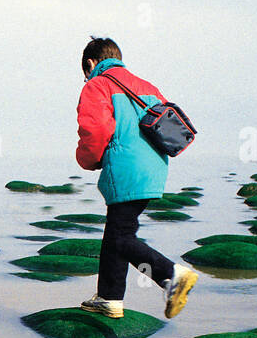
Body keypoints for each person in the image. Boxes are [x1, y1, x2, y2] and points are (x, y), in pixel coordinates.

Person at [74, 37, 197, 319]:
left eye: (85, 73)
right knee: (117, 232)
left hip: (126, 166)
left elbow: (96, 130)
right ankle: (109, 298)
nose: (86, 79)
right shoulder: (148, 86)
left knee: (120, 238)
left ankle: (171, 276)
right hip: (154, 166)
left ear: (91, 64)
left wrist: (88, 159)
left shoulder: (98, 84)